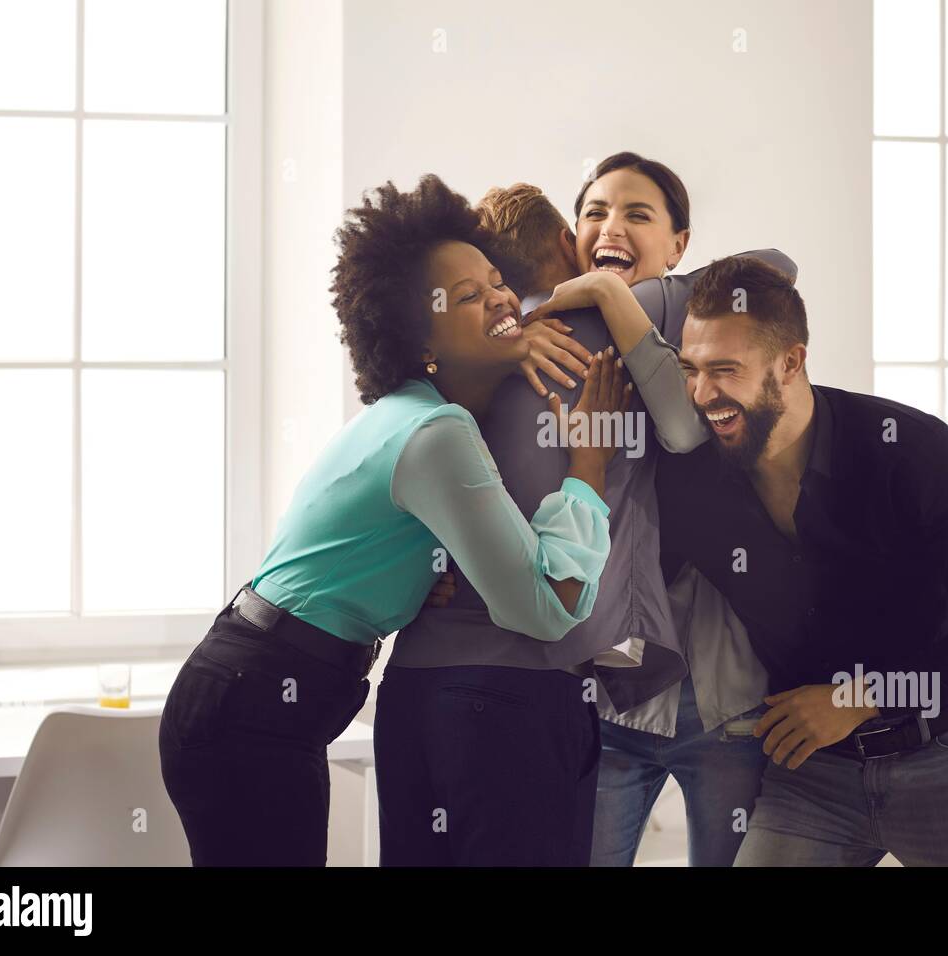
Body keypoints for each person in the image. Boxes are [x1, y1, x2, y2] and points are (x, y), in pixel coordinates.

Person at [158, 174, 627, 866]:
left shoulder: (411, 414)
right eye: (468, 297)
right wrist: (590, 464)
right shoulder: (436, 432)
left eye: (496, 279)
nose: (502, 298)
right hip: (252, 706)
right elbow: (545, 609)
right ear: (419, 341)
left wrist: (426, 571)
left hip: (254, 689)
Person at [423, 153, 792, 866]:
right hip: (611, 691)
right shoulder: (548, 340)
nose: (610, 225)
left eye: (636, 213)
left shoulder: (693, 313)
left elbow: (774, 267)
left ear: (681, 244)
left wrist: (606, 291)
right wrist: (440, 570)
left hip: (724, 699)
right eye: (593, 213)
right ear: (568, 239)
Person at [649, 254, 948, 865]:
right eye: (691, 370)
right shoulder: (692, 482)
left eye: (725, 371)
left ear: (790, 362)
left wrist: (857, 698)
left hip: (946, 759)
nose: (702, 395)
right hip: (808, 776)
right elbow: (625, 572)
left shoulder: (910, 450)